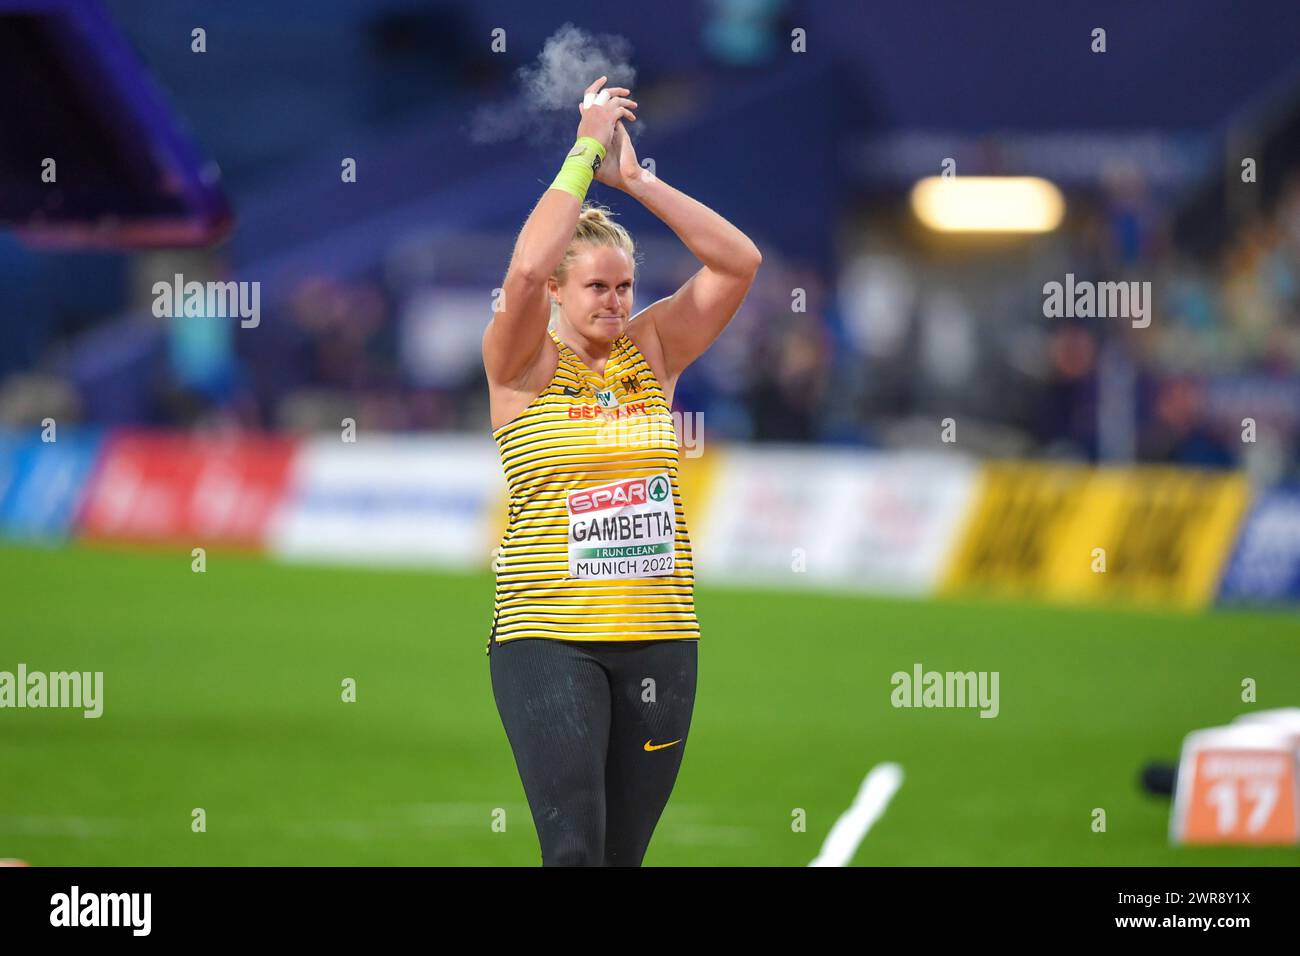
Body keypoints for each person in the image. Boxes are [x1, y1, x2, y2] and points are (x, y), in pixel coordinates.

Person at [481, 76, 762, 866]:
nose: (613, 301)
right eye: (596, 287)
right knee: (574, 851)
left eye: (624, 286)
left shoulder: (653, 351)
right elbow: (521, 274)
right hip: (549, 637)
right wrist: (584, 149)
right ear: (561, 292)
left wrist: (637, 180)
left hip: (663, 637)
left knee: (622, 858)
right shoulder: (519, 362)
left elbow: (738, 263)